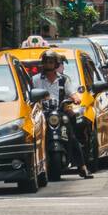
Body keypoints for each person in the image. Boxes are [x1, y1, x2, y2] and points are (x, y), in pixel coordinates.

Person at [32, 49, 91, 178]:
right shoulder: (35, 80)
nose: (49, 64)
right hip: (42, 114)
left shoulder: (64, 80)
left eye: (51, 62)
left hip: (59, 113)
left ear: (56, 64)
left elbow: (72, 93)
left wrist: (75, 98)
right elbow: (30, 95)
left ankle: (82, 166)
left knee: (72, 135)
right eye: (46, 62)